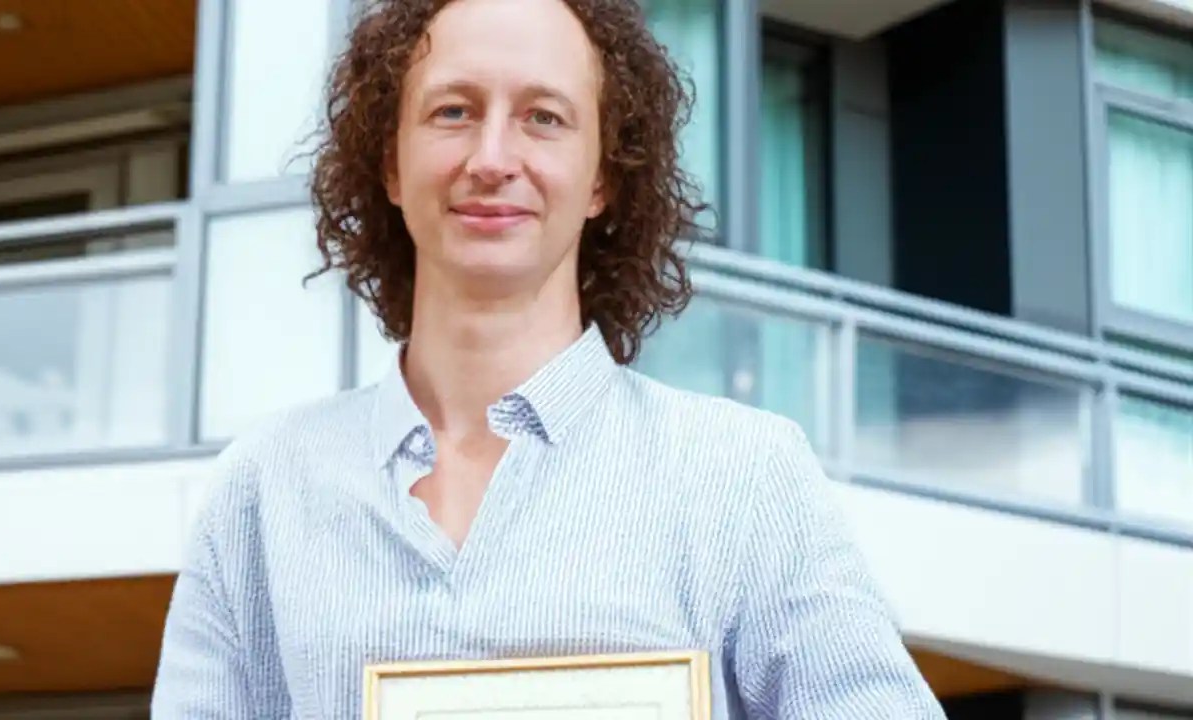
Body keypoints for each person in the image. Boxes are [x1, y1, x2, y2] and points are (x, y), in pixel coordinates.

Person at [151, 0, 946, 716]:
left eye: (544, 118)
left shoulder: (744, 477)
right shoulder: (263, 490)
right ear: (389, 164)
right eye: (454, 111)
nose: (493, 157)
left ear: (603, 176)